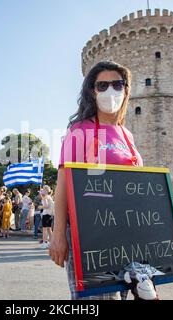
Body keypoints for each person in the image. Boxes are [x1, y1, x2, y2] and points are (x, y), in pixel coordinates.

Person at [49, 61, 143, 300]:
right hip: (91, 234)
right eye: (102, 85)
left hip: (129, 232)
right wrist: (58, 235)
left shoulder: (127, 134)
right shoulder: (79, 131)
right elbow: (64, 184)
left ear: (126, 90)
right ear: (92, 91)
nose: (111, 90)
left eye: (117, 84)